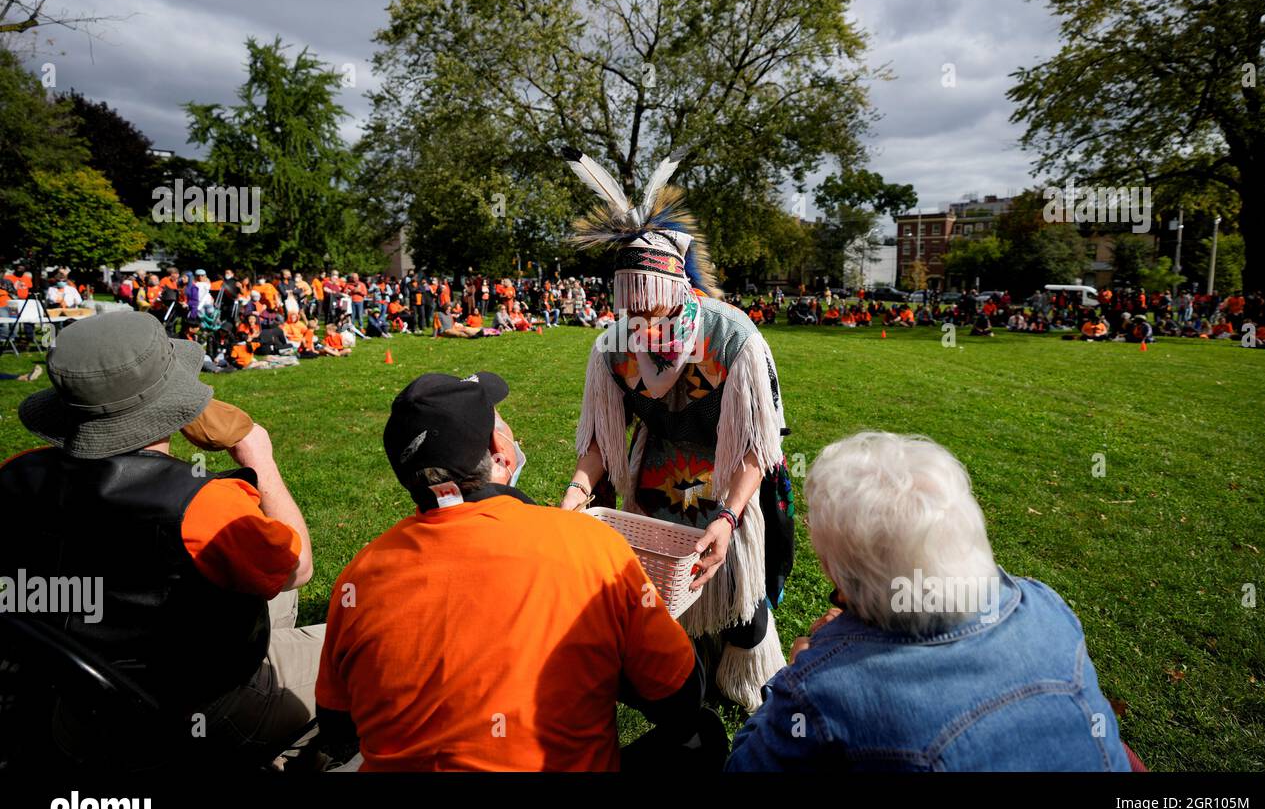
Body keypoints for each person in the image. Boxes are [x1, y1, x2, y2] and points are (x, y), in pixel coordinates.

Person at [315, 372, 718, 771]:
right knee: (705, 734)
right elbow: (680, 699)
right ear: (499, 453)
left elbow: (338, 728)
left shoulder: (359, 576)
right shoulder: (591, 545)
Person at [0, 312, 321, 766]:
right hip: (194, 709)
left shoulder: (17, 473)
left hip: (75, 700)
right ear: (173, 403)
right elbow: (298, 566)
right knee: (362, 645)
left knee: (273, 600)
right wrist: (258, 454)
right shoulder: (202, 506)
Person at [727, 432, 1133, 772]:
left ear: (838, 569)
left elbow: (743, 766)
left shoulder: (822, 690)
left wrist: (797, 669)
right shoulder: (1045, 605)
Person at [558, 147, 793, 712]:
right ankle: (677, 667)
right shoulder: (611, 345)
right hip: (658, 469)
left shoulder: (733, 337)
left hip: (730, 473)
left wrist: (731, 515)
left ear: (679, 290)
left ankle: (745, 675)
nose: (640, 322)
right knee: (663, 576)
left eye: (651, 307)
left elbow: (760, 445)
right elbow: (599, 437)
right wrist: (577, 493)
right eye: (629, 308)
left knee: (737, 582)